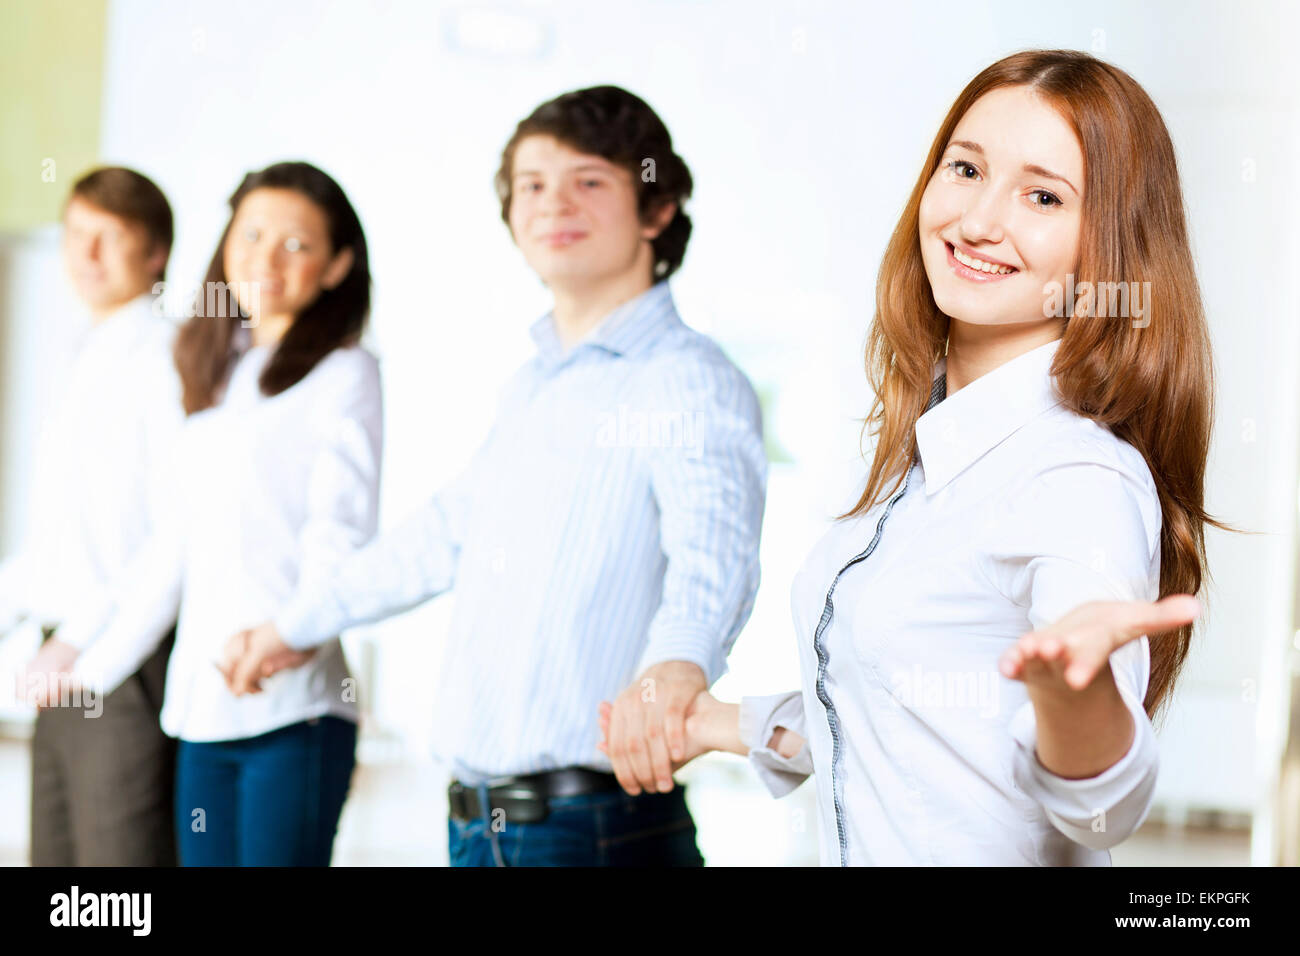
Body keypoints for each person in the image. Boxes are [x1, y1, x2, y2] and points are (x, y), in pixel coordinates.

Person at [605, 50, 1235, 866]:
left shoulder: (1074, 476)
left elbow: (1100, 809)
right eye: (965, 169)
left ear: (1106, 250)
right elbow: (907, 711)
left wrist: (1074, 701)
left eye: (1043, 195)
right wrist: (713, 725)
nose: (978, 221)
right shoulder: (933, 453)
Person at [225, 86, 768, 867]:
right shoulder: (535, 387)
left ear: (656, 211)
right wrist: (291, 628)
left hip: (590, 830)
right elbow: (439, 536)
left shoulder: (685, 377)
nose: (553, 203)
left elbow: (712, 552)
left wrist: (677, 667)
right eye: (531, 185)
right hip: (482, 826)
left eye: (589, 181)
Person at [58, 161, 381, 866]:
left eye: (295, 243)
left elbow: (341, 532)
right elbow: (173, 545)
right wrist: (88, 661)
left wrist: (289, 632)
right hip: (200, 708)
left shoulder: (344, 373)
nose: (265, 257)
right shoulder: (210, 370)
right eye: (251, 233)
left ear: (336, 265)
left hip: (292, 707)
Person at [0, 167, 183, 866]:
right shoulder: (83, 356)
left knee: (117, 893)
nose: (87, 256)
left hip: (117, 668)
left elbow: (173, 536)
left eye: (109, 237)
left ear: (155, 252)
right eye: (76, 235)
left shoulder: (164, 355)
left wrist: (80, 648)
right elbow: (65, 543)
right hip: (60, 662)